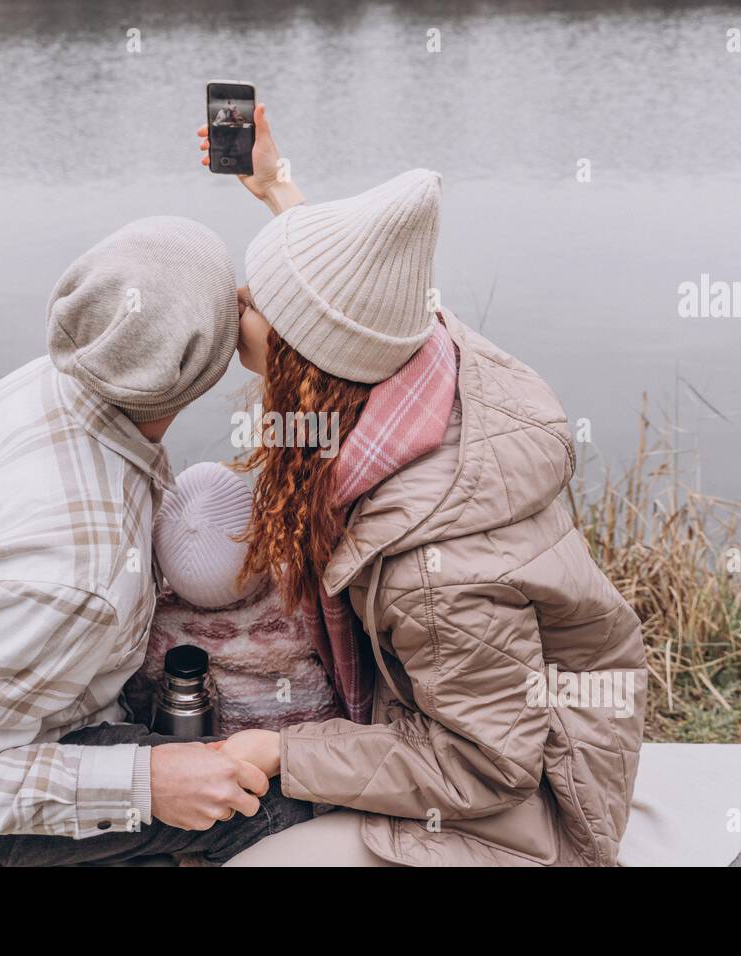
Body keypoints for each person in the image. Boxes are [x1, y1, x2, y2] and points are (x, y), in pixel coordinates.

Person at [197, 108, 648, 866]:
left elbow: (486, 768)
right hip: (492, 719)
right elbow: (356, 308)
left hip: (539, 805)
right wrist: (277, 188)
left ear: (308, 369)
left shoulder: (434, 575)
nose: (239, 301)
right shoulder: (425, 352)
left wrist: (284, 751)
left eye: (256, 305)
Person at [0, 217, 311, 867]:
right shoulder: (81, 572)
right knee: (278, 809)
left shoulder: (40, 384)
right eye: (232, 300)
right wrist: (146, 785)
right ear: (198, 367)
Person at [125, 461, 343, 735]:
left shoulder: (161, 625)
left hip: (223, 752)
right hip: (307, 736)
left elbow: (137, 696)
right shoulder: (295, 596)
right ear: (261, 537)